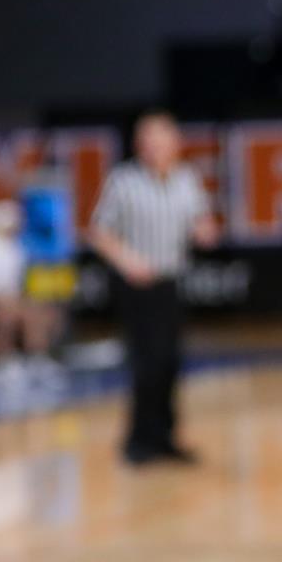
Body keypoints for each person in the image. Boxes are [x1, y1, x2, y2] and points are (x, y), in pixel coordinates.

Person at [88, 111, 219, 466]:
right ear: (138, 146)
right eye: (148, 142)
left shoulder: (187, 180)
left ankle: (166, 437)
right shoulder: (123, 181)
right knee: (145, 362)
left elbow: (200, 220)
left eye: (162, 141)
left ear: (176, 144)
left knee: (171, 361)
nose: (156, 148)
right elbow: (99, 232)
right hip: (135, 283)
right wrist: (129, 260)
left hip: (170, 280)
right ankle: (137, 441)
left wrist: (204, 230)